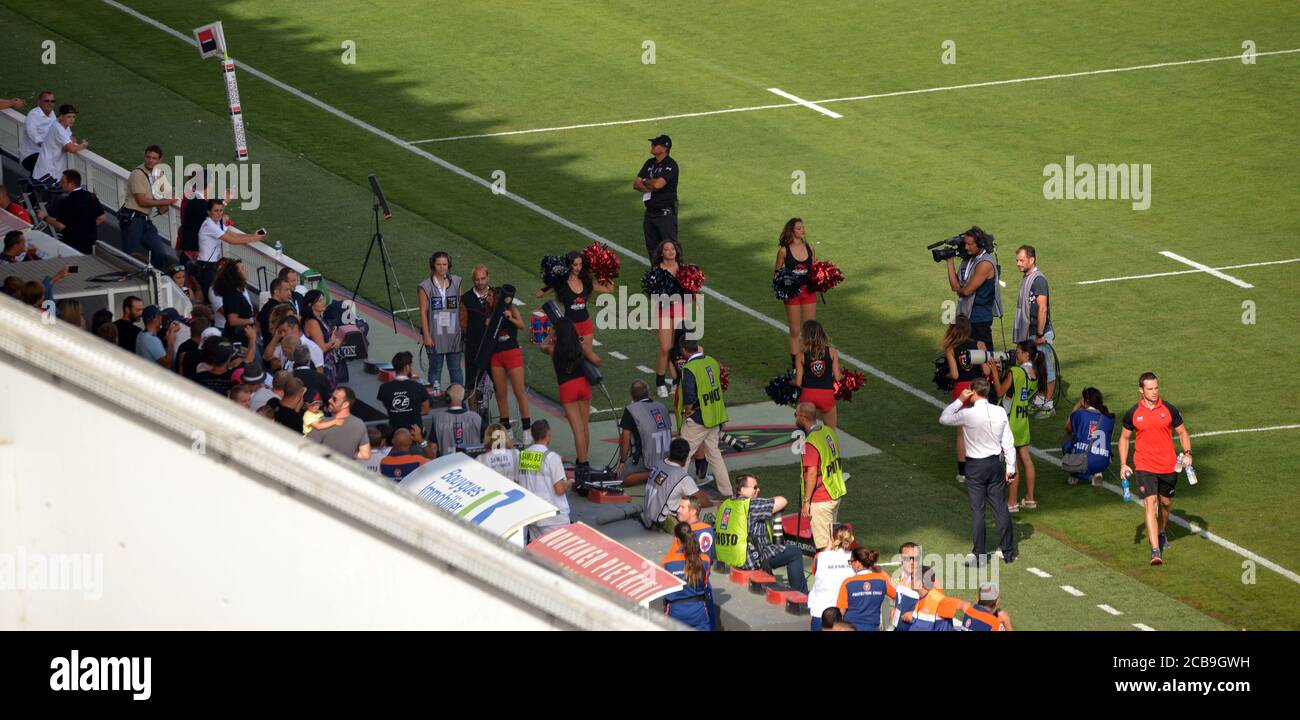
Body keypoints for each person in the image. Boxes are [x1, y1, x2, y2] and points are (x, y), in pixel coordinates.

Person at [939, 379, 1017, 566]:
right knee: (1000, 507)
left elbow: (944, 418)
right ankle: (1008, 551)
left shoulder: (968, 413)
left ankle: (979, 555)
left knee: (978, 511)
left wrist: (959, 400)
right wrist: (1011, 467)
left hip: (975, 466)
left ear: (973, 391)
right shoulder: (999, 411)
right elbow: (1008, 442)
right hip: (995, 464)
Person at [1118, 372, 1192, 566]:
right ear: (1141, 390)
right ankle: (1155, 550)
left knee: (1165, 503)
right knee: (1150, 504)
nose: (1154, 392)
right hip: (1144, 466)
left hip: (1168, 465)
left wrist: (1188, 452)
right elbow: (1124, 438)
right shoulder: (1133, 413)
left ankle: (1161, 531)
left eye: (1156, 388)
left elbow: (1182, 432)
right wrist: (1123, 463)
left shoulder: (1169, 409)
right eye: (1149, 389)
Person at [714, 473, 807, 593]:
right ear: (742, 489)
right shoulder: (751, 505)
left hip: (728, 559)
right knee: (795, 552)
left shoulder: (726, 504)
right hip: (751, 560)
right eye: (754, 487)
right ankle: (800, 595)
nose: (758, 489)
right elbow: (783, 501)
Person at [989, 340, 1047, 512]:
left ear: (1026, 355)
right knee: (1026, 460)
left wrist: (994, 372)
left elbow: (1000, 392)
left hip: (1010, 422)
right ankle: (1030, 498)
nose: (1016, 354)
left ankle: (1012, 502)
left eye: (1019, 352)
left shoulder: (1016, 371)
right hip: (1023, 421)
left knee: (1012, 463)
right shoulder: (1036, 374)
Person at [541, 316, 600, 475]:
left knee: (577, 430)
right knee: (584, 427)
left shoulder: (553, 349)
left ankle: (583, 463)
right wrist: (585, 350)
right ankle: (583, 459)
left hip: (567, 388)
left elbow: (542, 346)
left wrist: (550, 334)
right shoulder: (580, 347)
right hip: (583, 385)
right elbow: (597, 361)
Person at [676, 337, 732, 496]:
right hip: (715, 416)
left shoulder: (690, 368)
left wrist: (688, 410)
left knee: (683, 454)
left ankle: (675, 492)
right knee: (715, 455)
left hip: (699, 419)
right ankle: (727, 492)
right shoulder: (711, 361)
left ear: (684, 350)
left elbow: (689, 395)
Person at [942, 315, 991, 483]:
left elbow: (954, 374)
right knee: (981, 429)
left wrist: (944, 375)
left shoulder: (950, 347)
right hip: (977, 388)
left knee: (961, 433)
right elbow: (987, 371)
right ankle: (981, 468)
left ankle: (963, 473)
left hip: (961, 390)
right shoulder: (979, 345)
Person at [535, 251, 611, 355]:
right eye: (575, 265)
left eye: (580, 264)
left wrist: (608, 273)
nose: (578, 268)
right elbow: (538, 294)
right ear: (568, 265)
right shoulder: (562, 284)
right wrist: (553, 281)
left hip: (586, 325)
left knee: (587, 356)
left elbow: (608, 289)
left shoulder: (586, 281)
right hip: (570, 326)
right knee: (571, 357)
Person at [794, 401, 847, 550]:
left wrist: (806, 501)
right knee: (833, 542)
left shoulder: (811, 442)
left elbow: (811, 474)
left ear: (803, 418)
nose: (795, 419)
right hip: (834, 493)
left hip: (821, 499)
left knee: (825, 548)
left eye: (796, 415)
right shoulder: (829, 431)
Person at [1013, 245, 1057, 417]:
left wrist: (1039, 335)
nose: (1018, 263)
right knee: (1037, 368)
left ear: (1032, 260)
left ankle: (1048, 405)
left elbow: (1042, 308)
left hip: (1040, 334)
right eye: (1017, 260)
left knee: (1047, 369)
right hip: (1030, 332)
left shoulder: (1038, 280)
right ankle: (1040, 398)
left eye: (1021, 260)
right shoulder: (1028, 278)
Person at [118, 145, 178, 270]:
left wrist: (166, 202)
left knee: (160, 252)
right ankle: (129, 280)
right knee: (130, 255)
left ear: (160, 160)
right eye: (148, 157)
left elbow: (168, 193)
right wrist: (164, 202)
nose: (150, 160)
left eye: (154, 158)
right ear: (144, 157)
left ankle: (153, 277)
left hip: (145, 220)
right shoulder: (137, 174)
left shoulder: (158, 173)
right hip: (133, 219)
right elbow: (142, 201)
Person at [945, 226, 1001, 351]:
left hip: (979, 319)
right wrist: (949, 262)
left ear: (980, 244)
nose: (966, 247)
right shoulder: (967, 260)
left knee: (985, 358)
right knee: (963, 356)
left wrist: (961, 290)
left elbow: (966, 291)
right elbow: (955, 287)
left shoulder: (985, 263)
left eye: (970, 244)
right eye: (965, 244)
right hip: (964, 317)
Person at [486, 284, 531, 442]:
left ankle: (527, 430)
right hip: (496, 356)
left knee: (519, 392)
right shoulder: (489, 312)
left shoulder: (511, 310)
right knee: (500, 393)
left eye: (491, 296)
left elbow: (522, 326)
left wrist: (509, 317)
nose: (488, 298)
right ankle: (507, 428)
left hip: (512, 353)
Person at [515, 420, 572, 542]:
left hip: (533, 516)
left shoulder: (522, 456)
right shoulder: (552, 458)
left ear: (532, 435)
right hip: (554, 519)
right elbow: (559, 490)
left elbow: (518, 484)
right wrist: (569, 484)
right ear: (548, 434)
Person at [194, 199, 264, 296]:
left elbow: (234, 235)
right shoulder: (209, 225)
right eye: (216, 211)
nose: (219, 213)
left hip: (211, 265)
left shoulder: (217, 223)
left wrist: (253, 235)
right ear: (208, 212)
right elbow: (232, 241)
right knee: (210, 296)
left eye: (221, 210)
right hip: (206, 266)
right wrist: (254, 238)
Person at [418, 251, 463, 394]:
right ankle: (434, 400)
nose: (442, 267)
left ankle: (458, 401)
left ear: (449, 265)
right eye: (439, 264)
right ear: (433, 265)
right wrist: (426, 335)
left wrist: (464, 331)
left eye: (445, 264)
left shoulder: (456, 281)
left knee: (455, 369)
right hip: (435, 335)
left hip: (454, 335)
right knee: (435, 370)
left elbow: (461, 309)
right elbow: (423, 313)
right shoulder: (425, 286)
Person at [641, 438, 711, 529]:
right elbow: (703, 502)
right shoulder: (682, 477)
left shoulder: (658, 464)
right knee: (703, 510)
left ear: (670, 452)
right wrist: (714, 504)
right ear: (686, 457)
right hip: (661, 523)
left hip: (648, 516)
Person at [774, 218, 818, 362]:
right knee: (795, 331)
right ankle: (795, 367)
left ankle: (809, 363)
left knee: (810, 330)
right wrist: (786, 283)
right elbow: (777, 273)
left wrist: (820, 279)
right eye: (799, 228)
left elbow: (815, 270)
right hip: (792, 295)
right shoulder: (783, 251)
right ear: (791, 231)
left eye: (803, 227)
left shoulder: (810, 248)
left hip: (808, 292)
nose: (803, 230)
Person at [616, 380, 673, 487]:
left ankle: (656, 473)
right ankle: (663, 470)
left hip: (649, 459)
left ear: (631, 396)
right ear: (648, 392)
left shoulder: (631, 410)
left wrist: (622, 461)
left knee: (621, 479)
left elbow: (625, 439)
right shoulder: (662, 406)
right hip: (666, 457)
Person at [648, 240, 686, 397]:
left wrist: (695, 299)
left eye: (672, 249)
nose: (670, 251)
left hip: (679, 309)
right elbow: (652, 294)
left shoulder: (683, 269)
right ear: (661, 253)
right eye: (666, 249)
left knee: (677, 348)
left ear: (676, 251)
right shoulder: (657, 270)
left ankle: (677, 382)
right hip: (663, 309)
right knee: (665, 348)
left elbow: (690, 288)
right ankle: (660, 382)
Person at [36, 170, 104, 254]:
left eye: (63, 182)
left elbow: (60, 225)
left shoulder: (67, 201)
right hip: (90, 243)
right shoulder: (91, 196)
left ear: (71, 184)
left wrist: (44, 217)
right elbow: (101, 217)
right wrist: (86, 227)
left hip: (73, 245)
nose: (60, 184)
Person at [634, 134, 680, 258]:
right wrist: (650, 184)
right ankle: (657, 276)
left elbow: (658, 184)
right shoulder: (649, 163)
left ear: (664, 148)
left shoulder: (671, 165)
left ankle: (673, 276)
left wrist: (646, 182)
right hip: (650, 214)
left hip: (665, 215)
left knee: (670, 250)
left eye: (655, 144)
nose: (652, 146)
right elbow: (636, 184)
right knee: (653, 251)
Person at [661, 522, 712, 631]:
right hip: (698, 612)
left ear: (677, 540)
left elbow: (663, 588)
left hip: (675, 613)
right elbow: (706, 584)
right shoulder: (705, 560)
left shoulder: (667, 563)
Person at [793, 320, 843, 429]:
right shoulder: (832, 352)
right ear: (822, 334)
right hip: (826, 395)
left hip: (808, 395)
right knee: (831, 432)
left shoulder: (800, 355)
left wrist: (789, 381)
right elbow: (838, 378)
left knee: (807, 432)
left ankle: (809, 446)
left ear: (805, 336)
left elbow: (798, 382)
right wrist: (844, 375)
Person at [806, 526, 857, 631]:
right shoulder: (855, 559)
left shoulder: (820, 557)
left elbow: (815, 572)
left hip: (819, 613)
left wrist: (828, 547)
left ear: (832, 539)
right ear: (851, 539)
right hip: (845, 615)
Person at [834, 547, 897, 631]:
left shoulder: (847, 583)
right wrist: (883, 573)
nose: (851, 564)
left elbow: (841, 612)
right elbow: (898, 595)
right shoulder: (882, 580)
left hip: (850, 628)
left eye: (851, 561)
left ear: (857, 563)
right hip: (873, 628)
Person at [1062, 387, 1116, 485]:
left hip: (1082, 461)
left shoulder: (1080, 414)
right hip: (1103, 462)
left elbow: (1067, 428)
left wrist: (1077, 406)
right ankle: (1097, 473)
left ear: (1086, 400)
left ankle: (1074, 474)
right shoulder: (1109, 419)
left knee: (1068, 436)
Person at [459, 263, 495, 405]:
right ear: (473, 280)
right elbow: (463, 324)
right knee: (471, 385)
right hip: (474, 348)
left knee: (499, 385)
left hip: (493, 348)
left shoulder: (496, 295)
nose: (480, 282)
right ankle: (473, 416)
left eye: (483, 278)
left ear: (488, 277)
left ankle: (503, 420)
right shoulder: (466, 298)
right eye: (477, 279)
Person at [310, 386, 371, 461]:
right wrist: (348, 453)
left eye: (334, 399)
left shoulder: (322, 423)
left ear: (345, 404)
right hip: (345, 470)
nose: (329, 400)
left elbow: (307, 449)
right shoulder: (359, 424)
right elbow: (365, 455)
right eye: (330, 397)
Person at [32, 104, 88, 184]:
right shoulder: (59, 129)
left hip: (52, 168)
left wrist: (69, 144)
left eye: (73, 117)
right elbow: (71, 148)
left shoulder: (61, 124)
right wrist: (83, 145)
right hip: (47, 171)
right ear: (61, 116)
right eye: (69, 117)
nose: (72, 120)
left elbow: (71, 138)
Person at [378, 351, 430, 434]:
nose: (412, 369)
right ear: (407, 367)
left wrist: (400, 412)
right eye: (411, 366)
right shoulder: (418, 387)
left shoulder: (384, 388)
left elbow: (388, 406)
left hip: (394, 434)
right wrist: (412, 412)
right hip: (415, 434)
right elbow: (426, 410)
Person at [429, 384, 483, 456]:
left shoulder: (438, 418)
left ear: (447, 398)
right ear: (463, 398)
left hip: (447, 465)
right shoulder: (476, 417)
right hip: (472, 464)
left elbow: (433, 447)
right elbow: (489, 442)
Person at [212, 259, 256, 344]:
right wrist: (251, 320)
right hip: (237, 338)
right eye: (242, 269)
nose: (246, 271)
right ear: (236, 275)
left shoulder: (237, 291)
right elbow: (233, 320)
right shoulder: (232, 294)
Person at [301, 289, 341, 383]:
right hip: (318, 364)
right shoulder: (312, 322)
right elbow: (322, 348)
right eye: (320, 301)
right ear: (310, 305)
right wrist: (334, 342)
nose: (324, 302)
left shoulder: (319, 318)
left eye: (323, 299)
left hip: (326, 362)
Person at [669, 496, 716, 563]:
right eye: (679, 507)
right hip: (705, 571)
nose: (678, 510)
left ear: (693, 511)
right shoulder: (709, 529)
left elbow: (676, 561)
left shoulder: (684, 532)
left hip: (688, 570)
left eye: (682, 507)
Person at [889, 542, 924, 631]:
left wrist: (914, 614)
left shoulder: (923, 579)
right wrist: (894, 608)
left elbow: (936, 607)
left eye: (915, 558)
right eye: (908, 558)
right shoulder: (901, 574)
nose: (912, 562)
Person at [19, 91, 56, 174]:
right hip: (30, 155)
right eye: (47, 101)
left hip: (44, 154)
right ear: (39, 102)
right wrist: (40, 142)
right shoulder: (33, 114)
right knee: (45, 167)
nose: (50, 103)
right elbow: (31, 131)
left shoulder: (52, 114)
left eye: (52, 101)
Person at [258, 279, 292, 344]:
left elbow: (258, 322)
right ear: (276, 292)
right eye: (286, 290)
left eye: (289, 290)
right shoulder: (280, 310)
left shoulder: (266, 306)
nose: (289, 293)